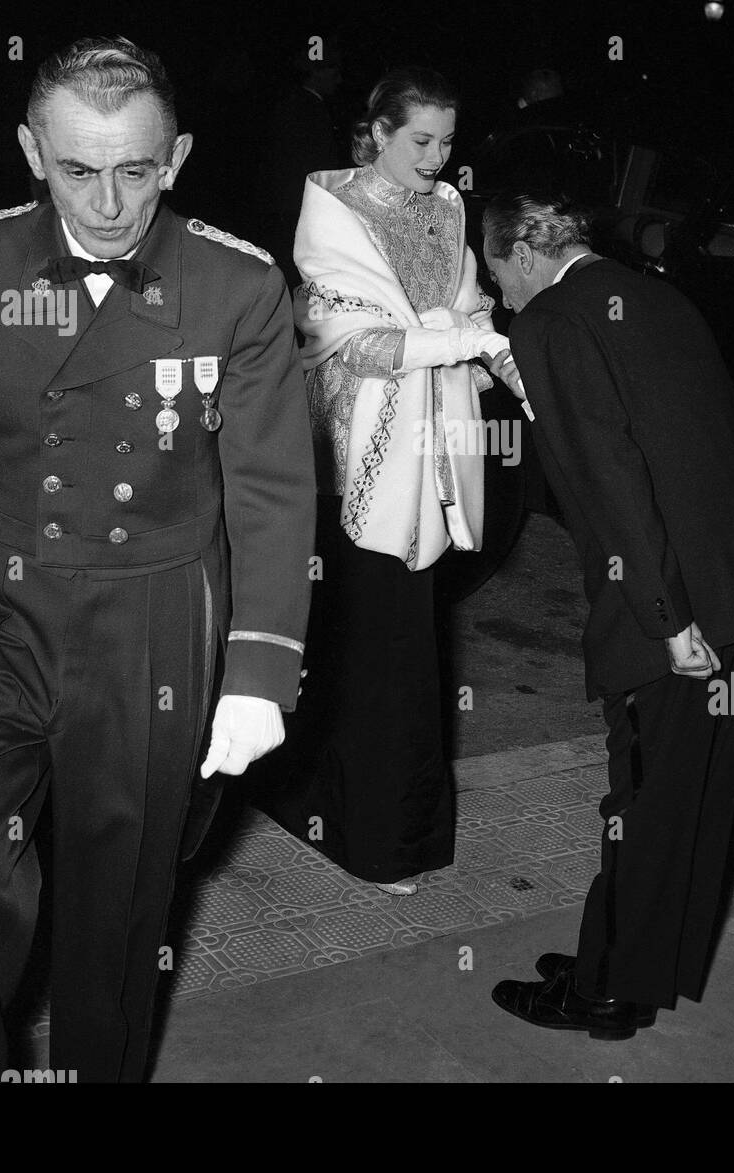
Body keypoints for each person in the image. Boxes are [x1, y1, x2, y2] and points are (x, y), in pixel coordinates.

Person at [0, 35, 315, 1082]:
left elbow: (271, 487)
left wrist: (261, 668)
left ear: (174, 157)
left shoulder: (236, 287)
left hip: (154, 624)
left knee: (118, 912)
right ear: (30, 151)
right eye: (77, 170)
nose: (106, 202)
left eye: (135, 170)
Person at [481, 192, 734, 1039]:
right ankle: (644, 966)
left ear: (520, 251)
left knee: (642, 800)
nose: (498, 287)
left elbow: (610, 473)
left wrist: (664, 616)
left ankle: (605, 994)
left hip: (674, 605)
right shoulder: (656, 292)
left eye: (496, 267)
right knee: (691, 801)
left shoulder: (548, 318)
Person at [249, 67, 509, 895]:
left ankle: (389, 828)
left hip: (430, 459)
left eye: (446, 143)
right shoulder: (334, 211)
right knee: (361, 644)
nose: (436, 159)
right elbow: (341, 339)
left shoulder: (447, 210)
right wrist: (452, 343)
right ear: (377, 133)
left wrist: (497, 352)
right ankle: (364, 834)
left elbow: (471, 309)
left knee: (402, 648)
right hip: (347, 461)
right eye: (420, 141)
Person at [257, 45, 346, 288]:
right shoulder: (302, 109)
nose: (339, 79)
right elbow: (305, 165)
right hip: (302, 207)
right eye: (333, 71)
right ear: (317, 73)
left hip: (299, 206)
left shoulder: (307, 105)